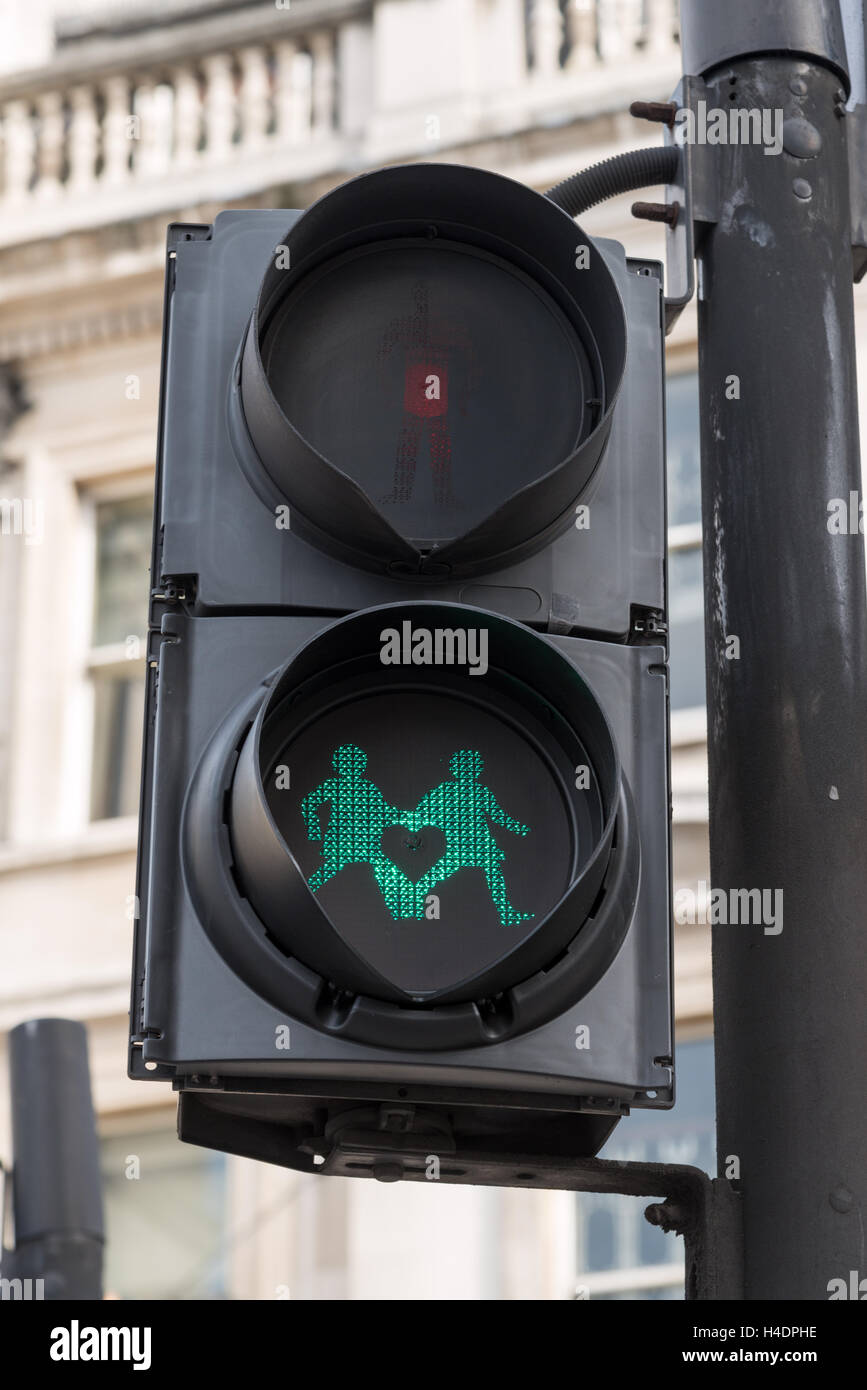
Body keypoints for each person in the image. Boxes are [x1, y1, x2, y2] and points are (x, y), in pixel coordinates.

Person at [410, 749, 533, 925]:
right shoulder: (445, 790)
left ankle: (505, 912)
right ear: (456, 770)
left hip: (479, 843)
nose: (468, 771)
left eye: (471, 767)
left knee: (493, 873)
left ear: (477, 770)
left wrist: (519, 829)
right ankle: (413, 902)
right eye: (464, 767)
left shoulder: (479, 791)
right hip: (458, 844)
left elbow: (497, 815)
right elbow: (424, 809)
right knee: (436, 874)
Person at [300, 744, 418, 918]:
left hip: (366, 841)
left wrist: (405, 817)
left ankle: (404, 909)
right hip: (343, 842)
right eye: (347, 763)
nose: (352, 767)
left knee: (385, 871)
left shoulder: (367, 787)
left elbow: (384, 811)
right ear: (339, 765)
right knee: (328, 871)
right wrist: (314, 830)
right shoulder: (333, 785)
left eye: (356, 763)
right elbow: (309, 803)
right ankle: (304, 899)